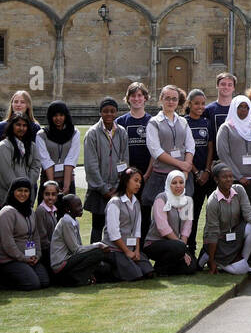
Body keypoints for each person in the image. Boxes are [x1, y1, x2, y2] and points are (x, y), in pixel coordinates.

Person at [142, 85, 195, 214]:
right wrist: (181, 164)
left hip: (182, 178)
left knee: (182, 216)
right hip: (162, 176)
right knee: (161, 217)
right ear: (161, 99)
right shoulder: (154, 122)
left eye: (174, 99)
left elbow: (190, 146)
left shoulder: (183, 122)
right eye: (167, 98)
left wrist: (186, 169)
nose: (171, 102)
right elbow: (156, 151)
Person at [201, 163, 251, 275]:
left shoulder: (239, 190)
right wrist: (212, 261)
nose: (229, 179)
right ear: (216, 179)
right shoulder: (212, 202)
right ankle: (210, 256)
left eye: (230, 176)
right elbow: (213, 233)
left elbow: (248, 212)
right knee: (241, 270)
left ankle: (243, 261)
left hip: (234, 234)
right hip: (219, 240)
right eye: (224, 177)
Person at [83, 97, 127, 245]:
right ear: (100, 112)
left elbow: (124, 160)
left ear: (116, 113)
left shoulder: (121, 132)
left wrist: (118, 186)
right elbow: (91, 165)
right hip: (98, 188)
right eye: (105, 111)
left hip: (116, 187)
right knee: (97, 225)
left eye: (112, 111)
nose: (109, 114)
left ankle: (113, 255)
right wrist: (104, 189)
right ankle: (95, 255)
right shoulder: (92, 133)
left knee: (115, 225)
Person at [0, 177, 50, 290]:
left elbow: (35, 236)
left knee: (44, 282)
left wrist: (37, 255)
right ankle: (1, 280)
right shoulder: (7, 212)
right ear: (13, 191)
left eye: (26, 191)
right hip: (10, 260)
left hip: (29, 258)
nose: (22, 194)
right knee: (33, 284)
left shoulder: (30, 212)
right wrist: (23, 258)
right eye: (19, 190)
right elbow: (8, 243)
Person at [102, 168, 155, 281]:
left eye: (140, 182)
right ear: (126, 181)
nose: (138, 184)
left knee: (148, 272)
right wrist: (127, 251)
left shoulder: (136, 202)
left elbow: (137, 230)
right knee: (136, 276)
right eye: (135, 180)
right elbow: (113, 233)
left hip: (130, 249)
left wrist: (136, 250)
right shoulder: (115, 202)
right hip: (114, 249)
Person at [48, 194, 111, 287]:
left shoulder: (74, 222)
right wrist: (97, 245)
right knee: (99, 253)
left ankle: (83, 277)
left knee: (105, 267)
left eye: (81, 205)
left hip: (71, 259)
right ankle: (76, 279)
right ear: (67, 209)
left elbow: (80, 246)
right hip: (61, 263)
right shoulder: (66, 222)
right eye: (77, 206)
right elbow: (76, 250)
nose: (81, 208)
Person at [144, 170, 200, 276]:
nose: (178, 186)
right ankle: (161, 267)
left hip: (176, 245)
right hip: (155, 243)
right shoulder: (161, 198)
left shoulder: (187, 201)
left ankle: (165, 268)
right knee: (179, 249)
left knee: (192, 267)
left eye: (181, 182)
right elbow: (162, 227)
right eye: (174, 183)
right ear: (168, 184)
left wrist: (182, 245)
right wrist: (181, 247)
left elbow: (187, 228)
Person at [216, 95, 251, 213]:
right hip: (234, 179)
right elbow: (223, 154)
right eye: (240, 107)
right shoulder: (226, 128)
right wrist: (238, 176)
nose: (244, 110)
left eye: (247, 107)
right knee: (234, 214)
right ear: (233, 108)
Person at [184, 89, 216, 258]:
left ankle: (210, 250)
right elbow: (184, 150)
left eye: (203, 103)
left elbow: (210, 147)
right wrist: (196, 172)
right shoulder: (183, 122)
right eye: (197, 103)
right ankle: (190, 248)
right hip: (192, 175)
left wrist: (207, 170)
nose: (200, 106)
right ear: (189, 104)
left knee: (212, 214)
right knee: (192, 215)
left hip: (207, 175)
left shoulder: (207, 122)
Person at [118, 82, 152, 233]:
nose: (136, 99)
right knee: (126, 212)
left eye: (140, 95)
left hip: (147, 175)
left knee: (145, 213)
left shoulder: (152, 121)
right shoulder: (120, 122)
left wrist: (147, 174)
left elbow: (155, 152)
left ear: (145, 98)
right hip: (127, 176)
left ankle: (143, 248)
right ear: (128, 98)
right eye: (133, 95)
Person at [0, 114, 40, 207]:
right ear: (12, 126)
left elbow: (35, 167)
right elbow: (5, 173)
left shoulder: (32, 146)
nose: (21, 128)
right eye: (18, 125)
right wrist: (19, 192)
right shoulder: (4, 146)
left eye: (24, 125)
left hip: (27, 197)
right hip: (7, 197)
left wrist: (26, 189)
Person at [35, 100, 80, 196]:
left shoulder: (74, 133)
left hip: (68, 179)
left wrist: (67, 186)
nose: (58, 118)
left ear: (66, 116)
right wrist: (52, 187)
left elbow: (71, 158)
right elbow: (46, 160)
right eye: (55, 115)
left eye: (61, 115)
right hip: (48, 181)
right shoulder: (41, 135)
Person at [32, 180, 63, 279]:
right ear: (42, 194)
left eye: (53, 194)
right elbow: (42, 239)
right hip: (46, 253)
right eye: (47, 194)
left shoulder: (53, 210)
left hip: (53, 250)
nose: (50, 197)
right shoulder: (41, 211)